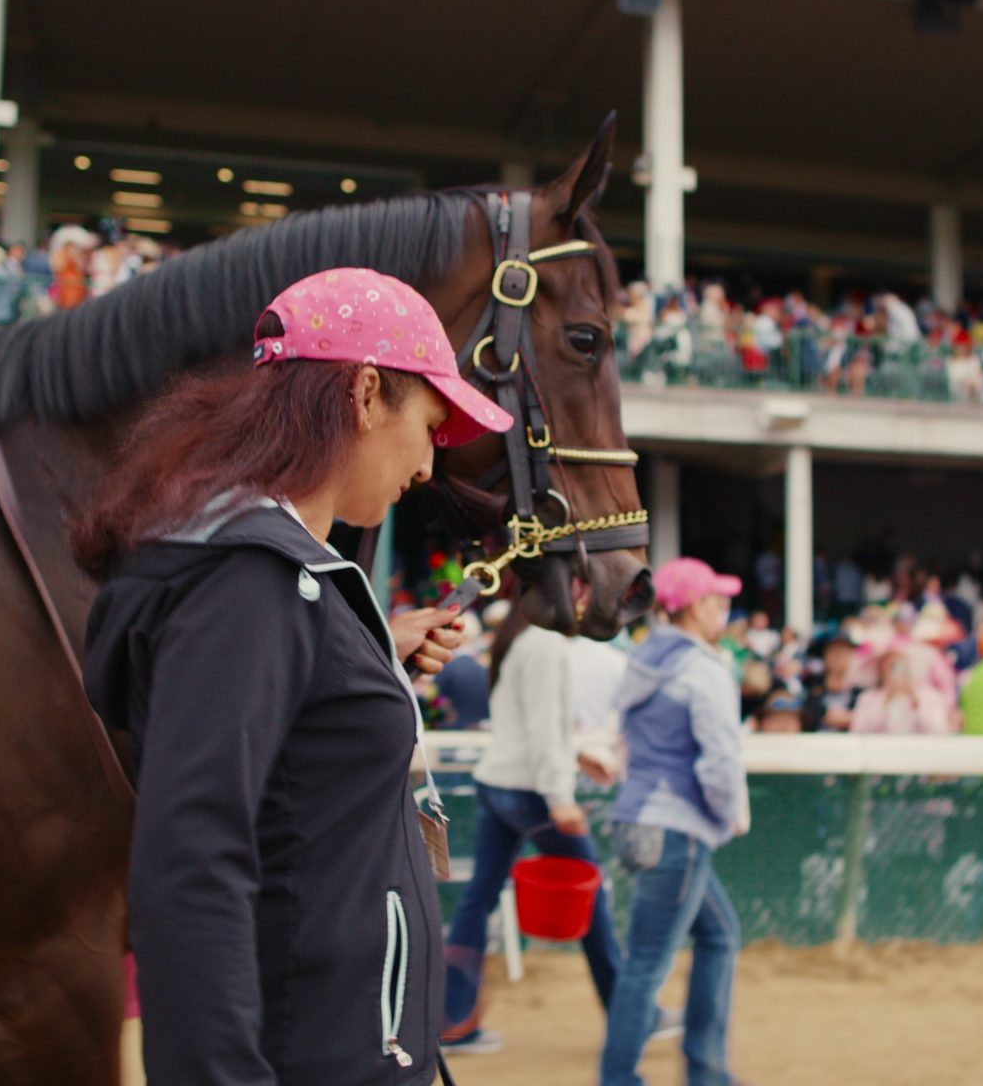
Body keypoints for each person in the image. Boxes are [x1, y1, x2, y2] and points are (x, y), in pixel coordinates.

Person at [72, 267, 512, 1086]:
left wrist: (365, 654)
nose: (430, 463)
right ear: (366, 393)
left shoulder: (277, 579)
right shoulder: (246, 582)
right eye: (430, 424)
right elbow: (193, 864)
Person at [440, 621, 631, 1055]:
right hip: (529, 793)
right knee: (591, 891)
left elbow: (531, 724)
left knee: (478, 899)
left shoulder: (522, 636)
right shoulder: (544, 641)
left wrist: (575, 756)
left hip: (500, 783)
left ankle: (452, 1021)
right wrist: (560, 798)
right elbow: (543, 726)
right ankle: (629, 1014)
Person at [602, 557, 750, 1086]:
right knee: (646, 965)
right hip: (676, 830)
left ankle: (707, 1070)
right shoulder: (704, 669)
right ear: (692, 606)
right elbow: (720, 760)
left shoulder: (644, 658)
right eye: (715, 600)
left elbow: (620, 736)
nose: (723, 609)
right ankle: (623, 1078)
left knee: (719, 934)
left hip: (637, 820)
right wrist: (729, 815)